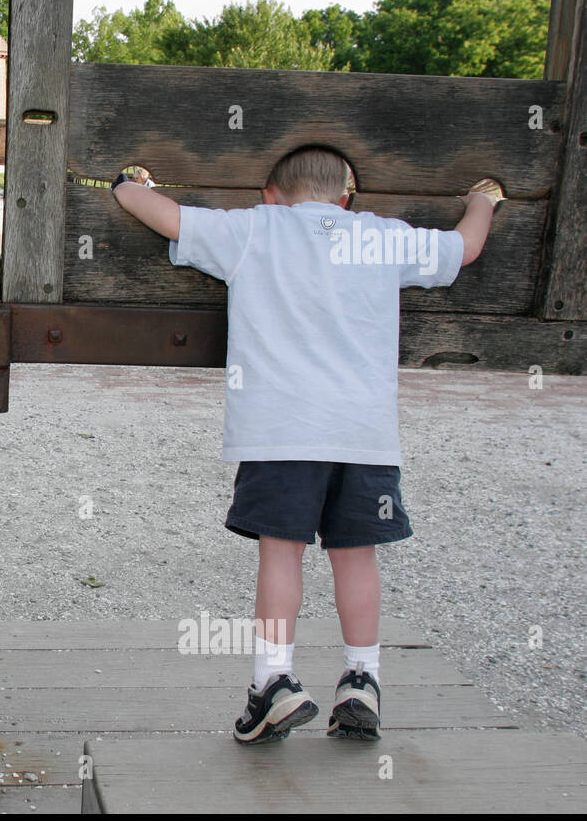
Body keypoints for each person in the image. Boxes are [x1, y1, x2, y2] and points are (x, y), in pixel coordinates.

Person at [112, 146, 498, 743]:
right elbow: (466, 247)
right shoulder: (381, 237)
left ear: (268, 191)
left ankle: (275, 683)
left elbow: (167, 216)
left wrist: (129, 182)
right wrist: (484, 196)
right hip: (365, 436)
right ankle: (361, 680)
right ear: (346, 197)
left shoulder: (254, 229)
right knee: (356, 555)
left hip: (280, 431)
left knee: (281, 552)